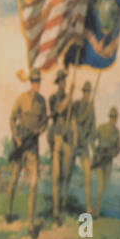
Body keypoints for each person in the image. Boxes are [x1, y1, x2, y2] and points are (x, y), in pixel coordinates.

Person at [5, 67, 46, 235]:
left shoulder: (42, 101)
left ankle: (30, 224)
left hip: (33, 147)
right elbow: (12, 117)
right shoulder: (21, 99)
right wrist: (16, 137)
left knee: (34, 184)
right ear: (31, 82)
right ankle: (8, 213)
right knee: (14, 179)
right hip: (21, 145)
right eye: (34, 81)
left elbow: (44, 121)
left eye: (39, 81)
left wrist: (40, 130)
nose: (36, 84)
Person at [47, 68, 72, 224]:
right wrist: (69, 97)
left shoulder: (68, 98)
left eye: (65, 79)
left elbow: (72, 118)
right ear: (58, 82)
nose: (63, 82)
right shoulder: (53, 97)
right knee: (56, 176)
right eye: (61, 79)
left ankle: (63, 204)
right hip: (57, 138)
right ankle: (56, 211)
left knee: (66, 174)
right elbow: (59, 109)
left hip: (67, 139)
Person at [71, 81, 98, 215]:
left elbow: (93, 128)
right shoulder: (77, 104)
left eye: (89, 92)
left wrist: (93, 147)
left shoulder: (91, 107)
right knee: (67, 173)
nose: (87, 94)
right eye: (85, 92)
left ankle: (88, 207)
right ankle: (63, 203)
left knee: (87, 175)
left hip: (83, 146)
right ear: (83, 92)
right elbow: (74, 120)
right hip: (73, 143)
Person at [93, 107, 120, 208]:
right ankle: (95, 210)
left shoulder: (117, 132)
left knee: (104, 187)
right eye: (112, 117)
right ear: (109, 117)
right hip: (99, 160)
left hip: (108, 162)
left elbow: (117, 149)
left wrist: (115, 152)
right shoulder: (101, 127)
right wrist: (95, 153)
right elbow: (92, 139)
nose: (113, 119)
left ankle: (96, 208)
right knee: (101, 187)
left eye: (115, 117)